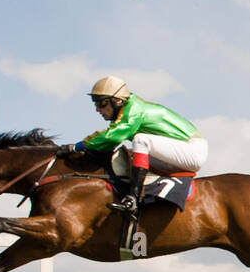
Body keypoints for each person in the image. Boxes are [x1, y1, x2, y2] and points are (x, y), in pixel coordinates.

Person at [58, 76, 207, 222]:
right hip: (180, 150)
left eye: (102, 103)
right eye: (95, 103)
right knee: (129, 155)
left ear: (117, 100)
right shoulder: (127, 110)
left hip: (192, 150)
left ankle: (134, 198)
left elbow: (112, 137)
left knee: (140, 140)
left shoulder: (134, 109)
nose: (98, 109)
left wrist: (76, 146)